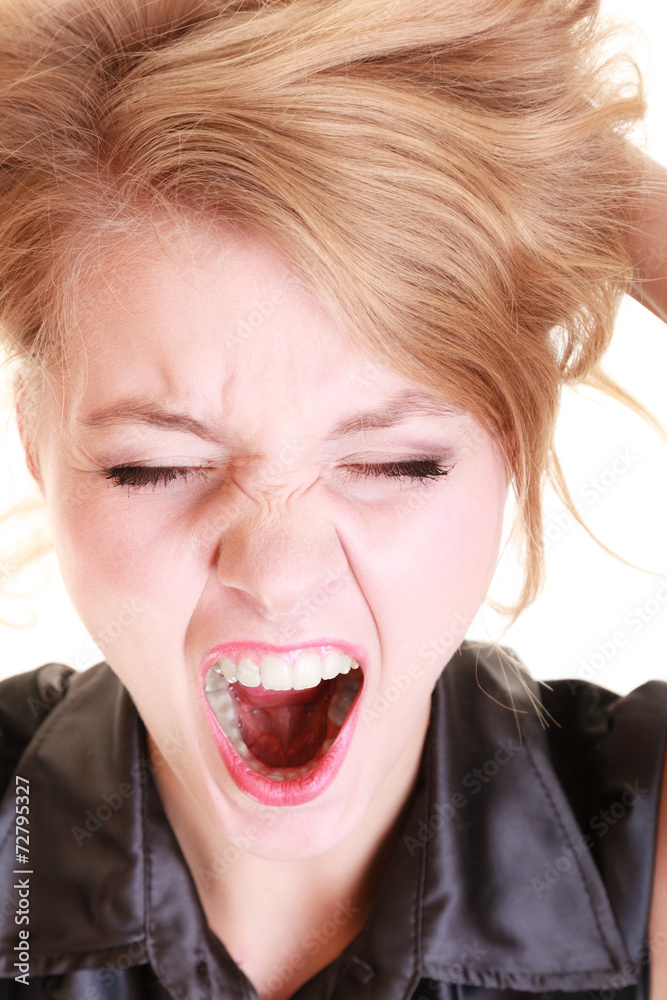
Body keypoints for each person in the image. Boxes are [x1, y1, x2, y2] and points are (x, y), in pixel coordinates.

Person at [0, 0, 666, 997]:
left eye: (395, 462)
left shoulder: (637, 841)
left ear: (514, 446)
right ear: (40, 451)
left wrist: (581, 182)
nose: (276, 574)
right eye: (155, 466)